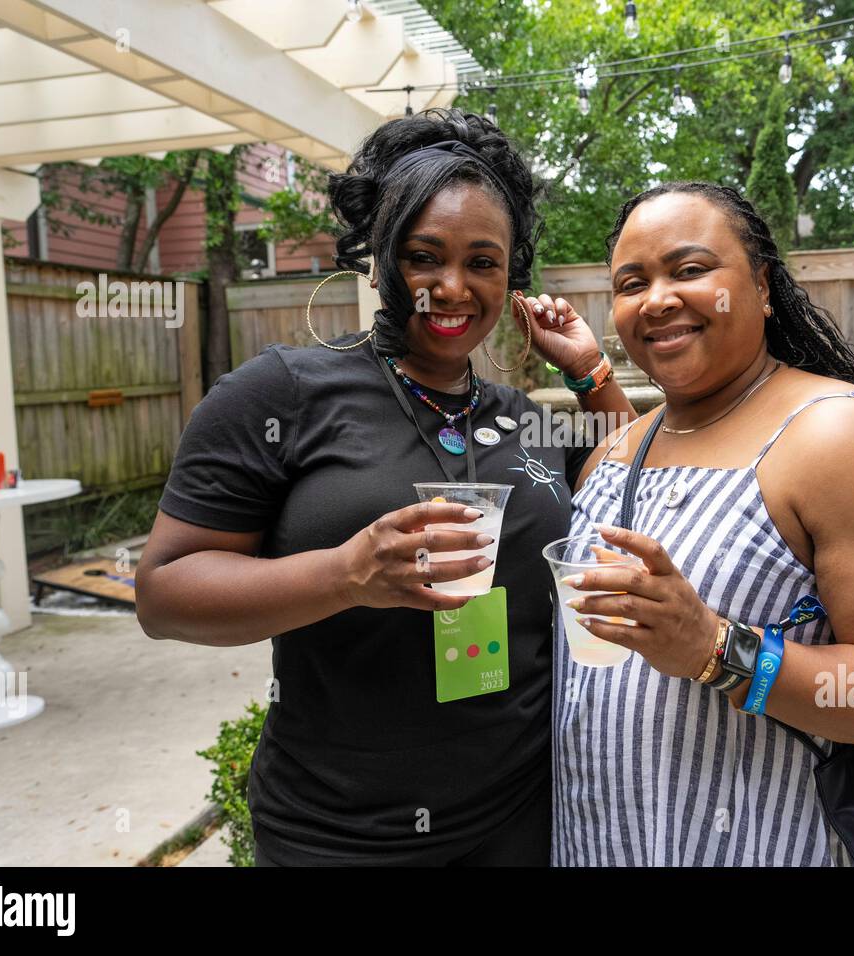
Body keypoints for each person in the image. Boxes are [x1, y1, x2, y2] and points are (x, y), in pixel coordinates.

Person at [135, 108, 634, 866]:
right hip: (340, 835)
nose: (452, 288)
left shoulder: (522, 417)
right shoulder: (280, 394)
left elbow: (636, 484)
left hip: (523, 820)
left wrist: (592, 372)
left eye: (484, 263)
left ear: (511, 277)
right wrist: (345, 574)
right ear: (377, 258)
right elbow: (163, 594)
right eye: (422, 256)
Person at [554, 181, 854, 866]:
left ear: (764, 285)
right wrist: (590, 376)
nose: (657, 299)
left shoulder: (837, 436)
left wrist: (715, 648)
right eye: (632, 282)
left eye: (689, 270)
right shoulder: (616, 450)